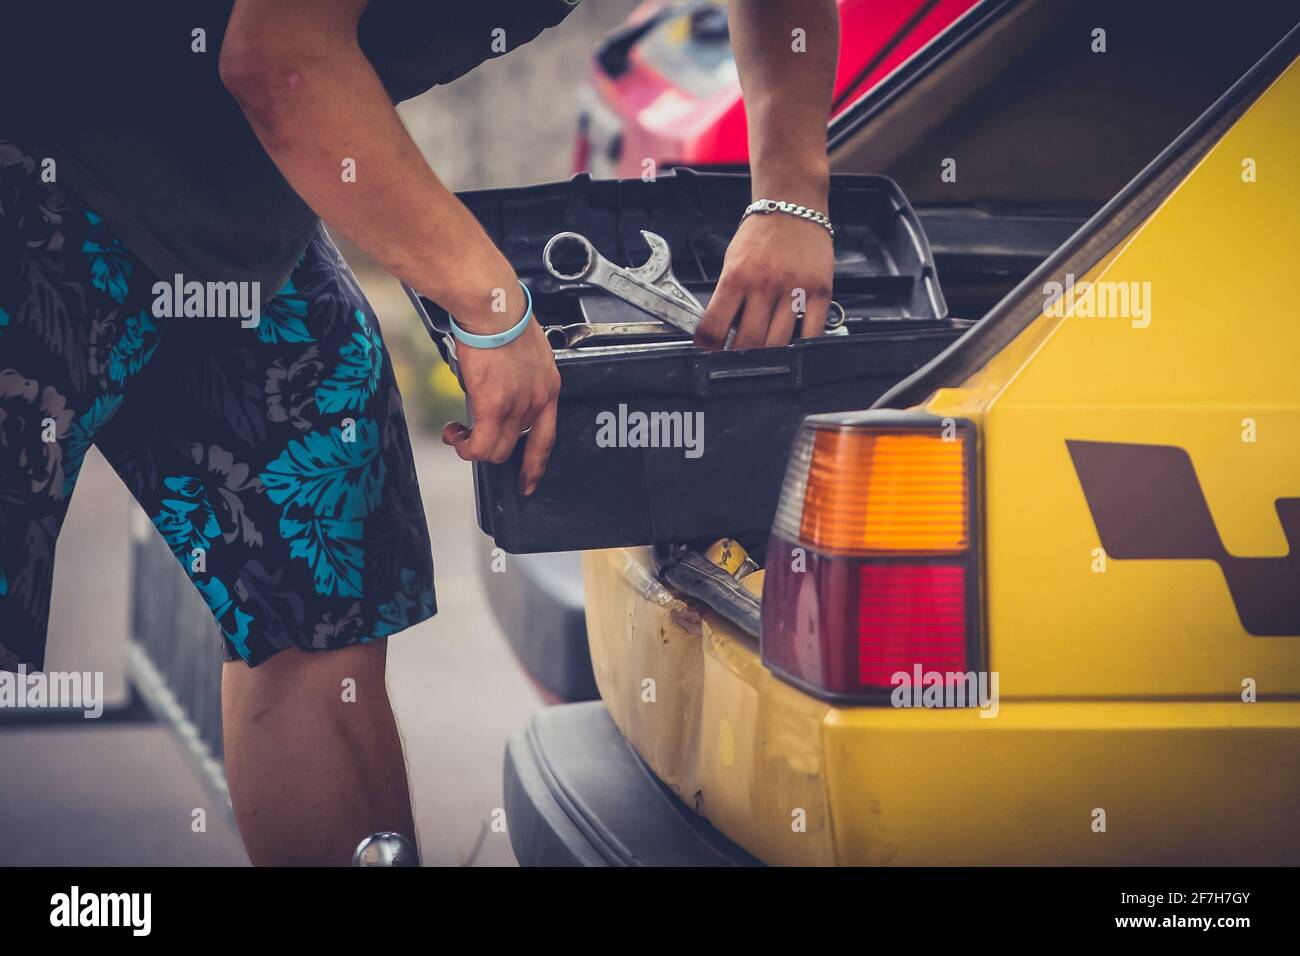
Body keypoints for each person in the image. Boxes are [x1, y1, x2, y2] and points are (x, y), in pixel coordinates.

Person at [0, 0, 838, 865]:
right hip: (32, 187)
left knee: (327, 596)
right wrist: (491, 302)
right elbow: (282, 60)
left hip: (238, 214)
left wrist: (790, 197)